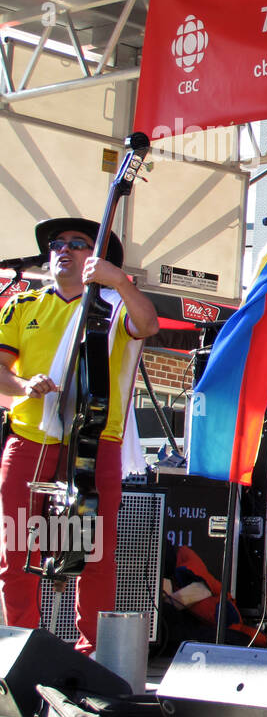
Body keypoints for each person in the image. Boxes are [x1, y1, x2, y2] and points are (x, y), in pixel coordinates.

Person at [0, 218, 158, 653]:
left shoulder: (114, 303)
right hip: (31, 438)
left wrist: (120, 282)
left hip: (93, 443)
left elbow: (147, 325)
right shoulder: (22, 304)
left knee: (93, 553)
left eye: (78, 243)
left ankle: (93, 654)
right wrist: (22, 385)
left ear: (97, 257)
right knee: (18, 550)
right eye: (56, 244)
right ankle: (21, 649)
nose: (63, 250)